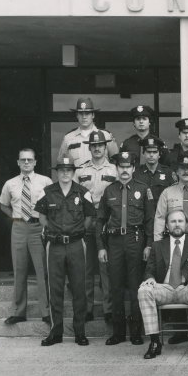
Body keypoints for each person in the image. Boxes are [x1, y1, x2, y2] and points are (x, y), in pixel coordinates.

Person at [34, 157, 96, 346]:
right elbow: (42, 217)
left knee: (79, 288)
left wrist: (77, 233)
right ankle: (56, 332)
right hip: (55, 245)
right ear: (57, 172)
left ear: (73, 171)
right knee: (55, 289)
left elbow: (89, 218)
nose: (65, 173)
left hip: (76, 245)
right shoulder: (47, 192)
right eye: (62, 170)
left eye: (69, 170)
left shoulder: (83, 192)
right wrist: (54, 231)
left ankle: (80, 332)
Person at [96, 152, 155, 346]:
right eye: (121, 167)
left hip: (135, 241)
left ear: (133, 168)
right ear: (116, 168)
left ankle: (136, 331)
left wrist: (148, 245)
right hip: (113, 242)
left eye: (128, 166)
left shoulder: (143, 189)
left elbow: (149, 221)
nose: (124, 170)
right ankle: (119, 332)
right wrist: (101, 247)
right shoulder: (109, 191)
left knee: (136, 286)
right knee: (116, 287)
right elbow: (101, 220)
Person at [137, 209, 188, 359]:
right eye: (173, 221)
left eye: (180, 221)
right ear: (167, 226)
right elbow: (149, 270)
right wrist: (150, 278)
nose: (177, 224)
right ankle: (155, 342)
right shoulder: (157, 245)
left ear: (187, 224)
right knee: (143, 290)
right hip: (165, 289)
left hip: (186, 288)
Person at [0, 148, 52, 326]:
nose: (27, 162)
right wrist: (15, 217)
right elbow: (3, 205)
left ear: (35, 162)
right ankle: (18, 312)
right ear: (18, 162)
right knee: (19, 269)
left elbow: (53, 204)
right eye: (23, 160)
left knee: (42, 270)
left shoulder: (45, 181)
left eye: (30, 160)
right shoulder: (10, 183)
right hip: (19, 227)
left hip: (38, 227)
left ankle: (46, 311)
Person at [74, 130, 118, 323]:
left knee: (106, 268)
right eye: (94, 145)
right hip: (87, 221)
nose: (98, 148)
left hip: (106, 222)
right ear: (89, 148)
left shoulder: (114, 170)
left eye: (101, 145)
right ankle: (88, 308)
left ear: (105, 147)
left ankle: (108, 309)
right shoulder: (80, 171)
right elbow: (74, 197)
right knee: (86, 268)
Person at [57, 98, 118, 167]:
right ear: (77, 115)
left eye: (87, 113)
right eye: (81, 113)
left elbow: (116, 162)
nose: (84, 117)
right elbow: (62, 164)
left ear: (93, 115)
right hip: (76, 177)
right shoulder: (68, 138)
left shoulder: (106, 135)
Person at [133, 136, 176, 204]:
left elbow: (174, 197)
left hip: (163, 213)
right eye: (148, 152)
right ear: (143, 153)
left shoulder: (168, 173)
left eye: (155, 152)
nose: (151, 155)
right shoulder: (136, 173)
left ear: (159, 154)